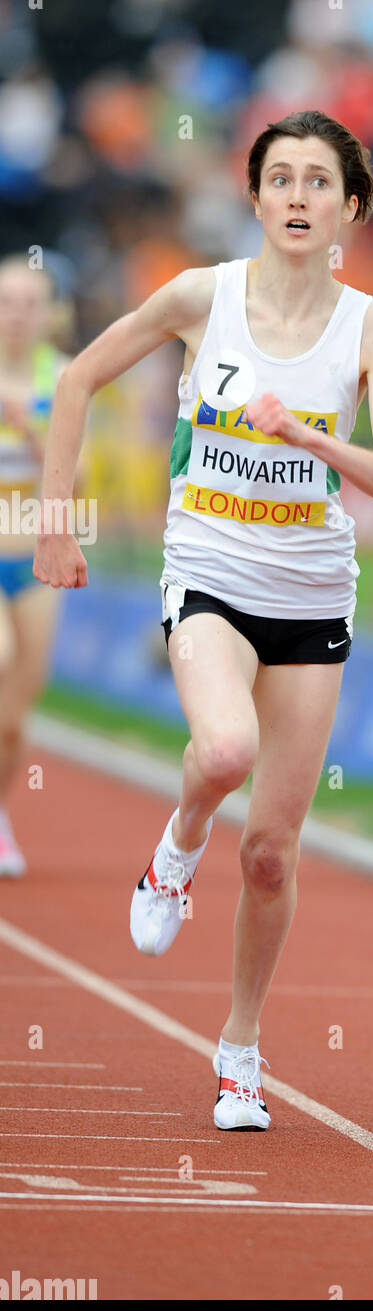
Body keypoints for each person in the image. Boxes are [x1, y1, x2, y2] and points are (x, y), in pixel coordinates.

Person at [35, 110, 373, 1131]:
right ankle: (175, 843)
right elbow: (75, 379)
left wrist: (309, 438)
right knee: (223, 746)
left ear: (350, 208)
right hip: (208, 570)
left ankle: (240, 1050)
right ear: (253, 197)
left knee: (272, 855)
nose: (298, 198)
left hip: (311, 599)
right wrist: (54, 525)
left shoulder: (371, 327)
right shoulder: (204, 296)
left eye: (319, 183)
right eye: (280, 179)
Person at [0, 257, 73, 876]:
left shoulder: (66, 376)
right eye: (5, 301)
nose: (16, 315)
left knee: (13, 718)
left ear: (50, 313)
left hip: (35, 557)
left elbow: (74, 470)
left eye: (28, 303)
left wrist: (27, 425)